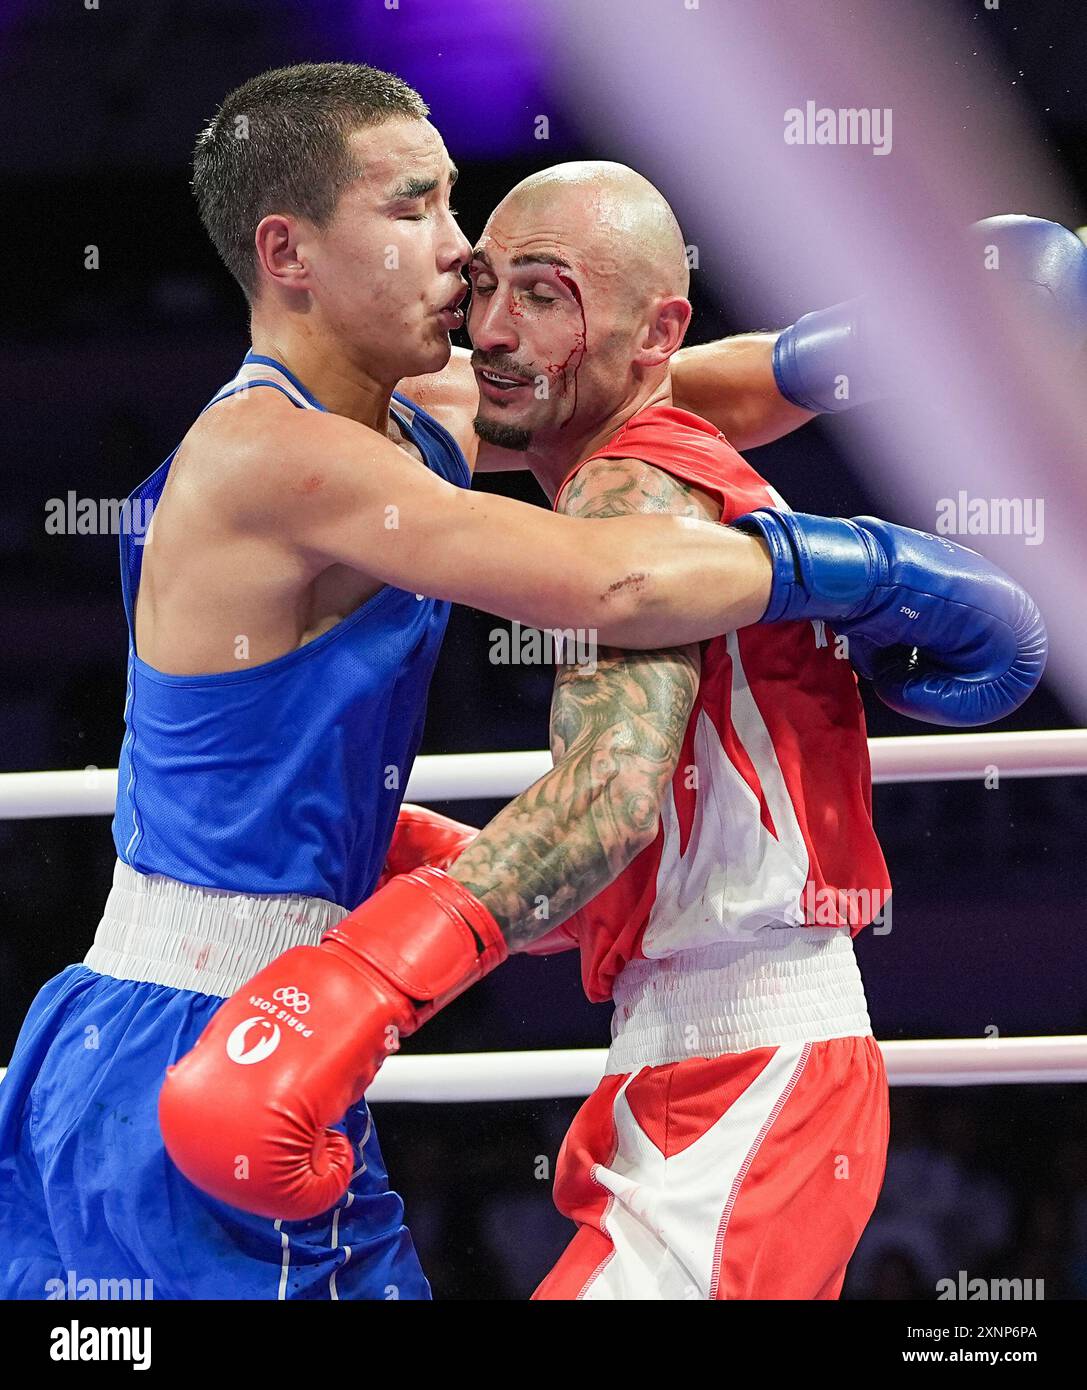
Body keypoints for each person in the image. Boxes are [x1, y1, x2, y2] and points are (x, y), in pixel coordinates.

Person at [0, 61, 964, 1304]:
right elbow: (611, 584)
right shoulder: (269, 454)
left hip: (166, 1033)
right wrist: (869, 564)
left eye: (456, 206)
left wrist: (875, 346)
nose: (461, 256)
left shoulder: (413, 416)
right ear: (288, 251)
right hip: (218, 1027)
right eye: (415, 213)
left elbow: (643, 383)